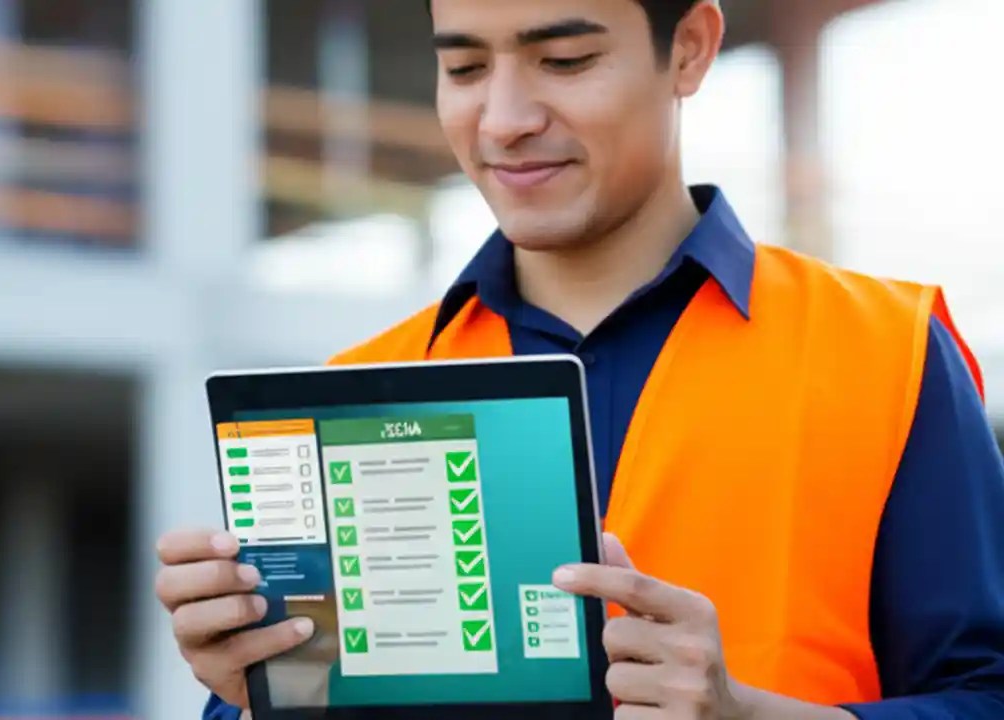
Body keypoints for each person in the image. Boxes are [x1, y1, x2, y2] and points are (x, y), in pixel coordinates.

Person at [155, 0, 1004, 717]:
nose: (505, 119)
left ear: (690, 49)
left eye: (564, 60)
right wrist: (250, 693)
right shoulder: (348, 396)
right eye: (464, 70)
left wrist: (750, 713)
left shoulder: (884, 346)